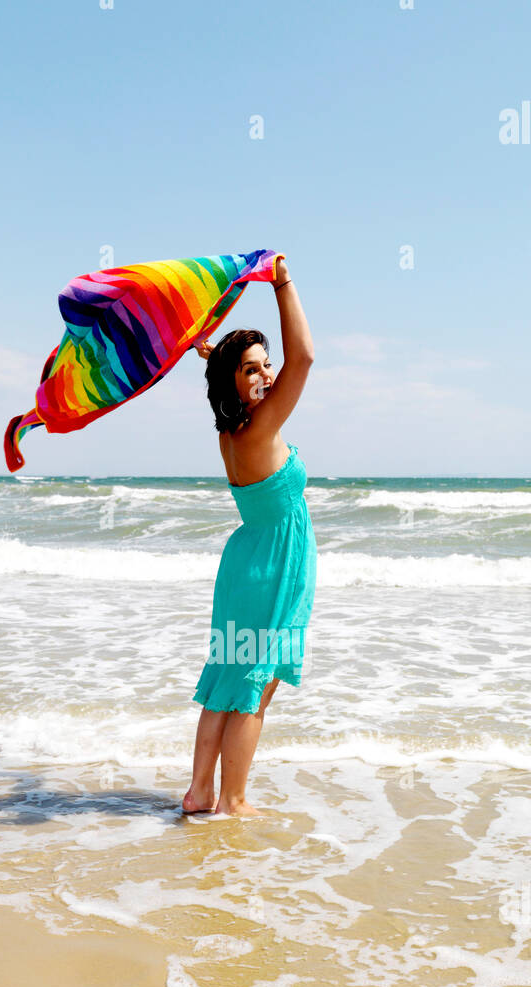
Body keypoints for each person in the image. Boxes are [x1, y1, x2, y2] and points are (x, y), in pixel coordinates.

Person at [182, 256, 316, 816]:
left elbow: (239, 379)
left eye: (266, 366)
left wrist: (216, 354)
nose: (266, 376)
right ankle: (233, 802)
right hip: (274, 571)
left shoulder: (232, 432)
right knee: (254, 692)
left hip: (245, 564)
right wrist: (282, 284)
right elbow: (304, 357)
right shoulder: (261, 428)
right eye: (255, 370)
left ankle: (199, 793)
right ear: (234, 383)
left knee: (226, 682)